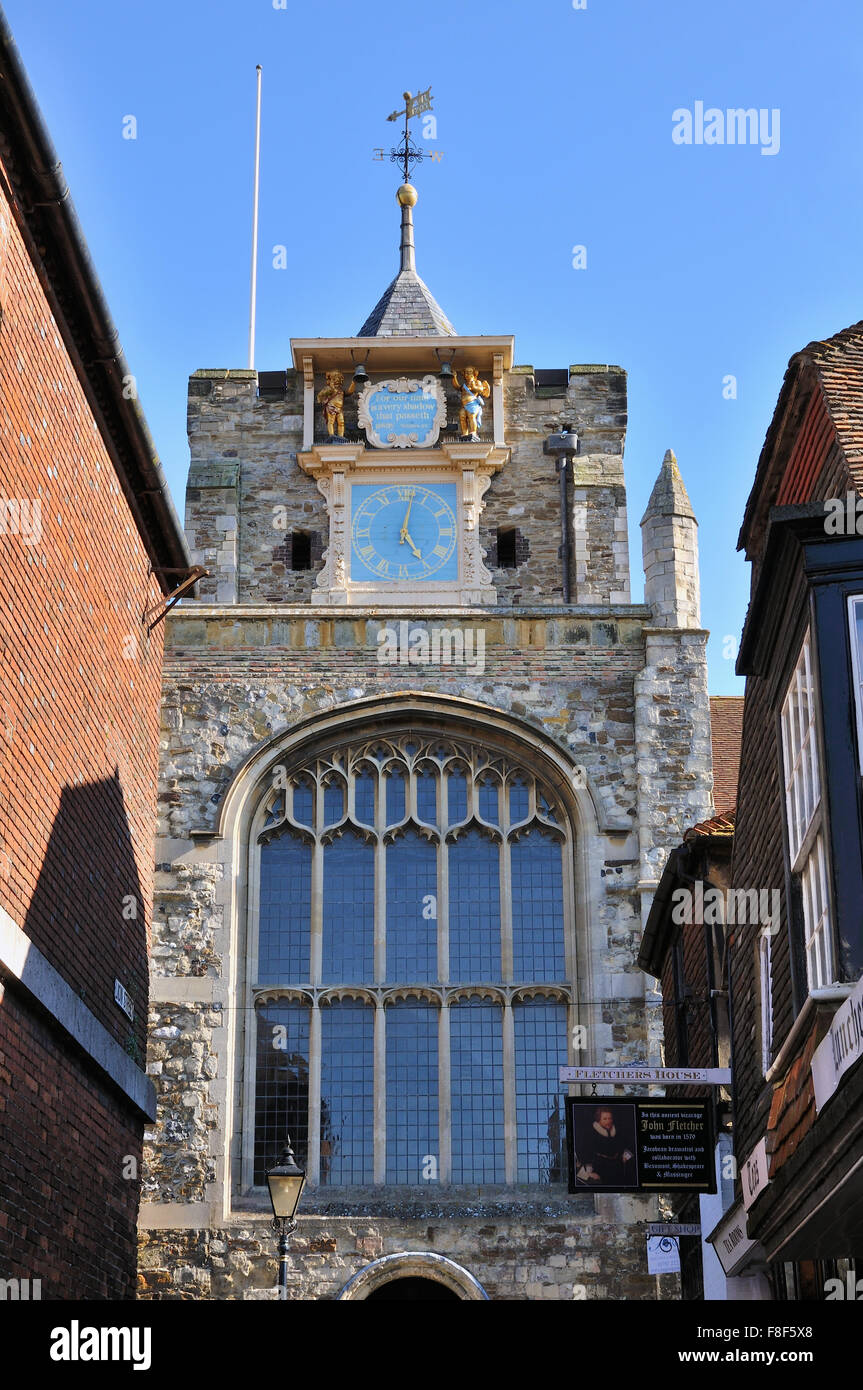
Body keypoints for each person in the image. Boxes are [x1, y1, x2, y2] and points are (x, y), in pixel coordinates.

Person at [575, 1105, 635, 1186]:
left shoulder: (616, 1131)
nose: (608, 1121)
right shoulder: (591, 1133)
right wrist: (589, 1172)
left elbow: (625, 1145)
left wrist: (625, 1156)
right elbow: (586, 1153)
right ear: (598, 1119)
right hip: (599, 1167)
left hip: (617, 1166)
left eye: (610, 1118)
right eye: (605, 1119)